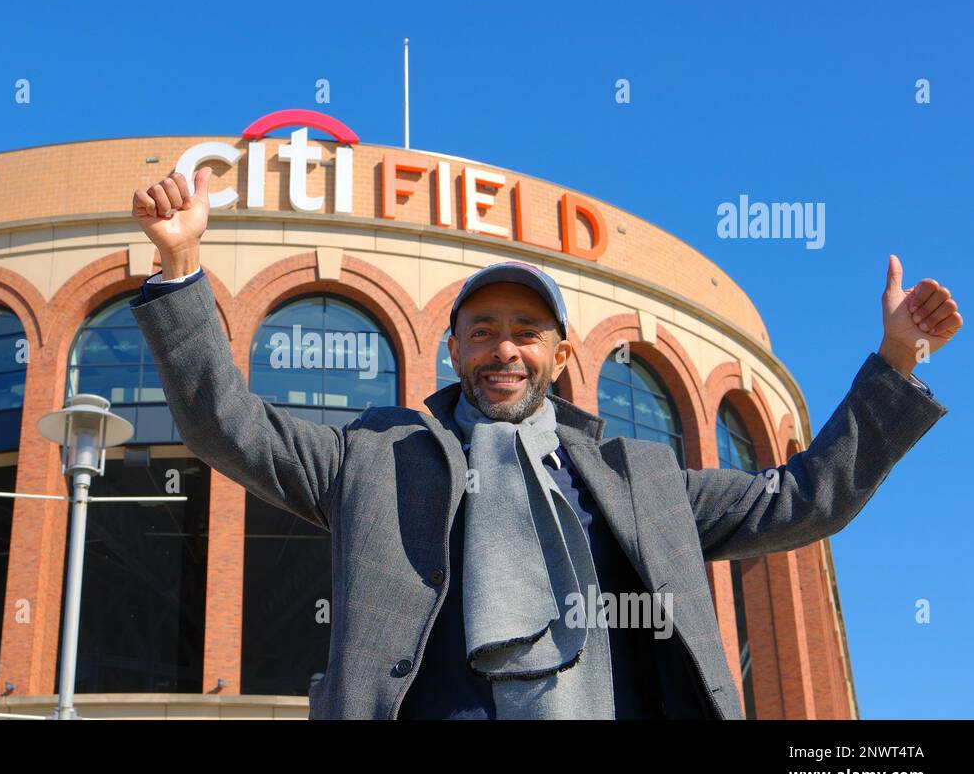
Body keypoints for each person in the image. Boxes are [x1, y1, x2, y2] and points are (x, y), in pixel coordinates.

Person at [126, 166, 960, 719]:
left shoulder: (642, 476)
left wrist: (894, 364)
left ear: (561, 354)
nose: (504, 349)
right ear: (454, 349)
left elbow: (801, 497)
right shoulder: (374, 458)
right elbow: (224, 423)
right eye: (483, 330)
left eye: (527, 331)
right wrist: (180, 267)